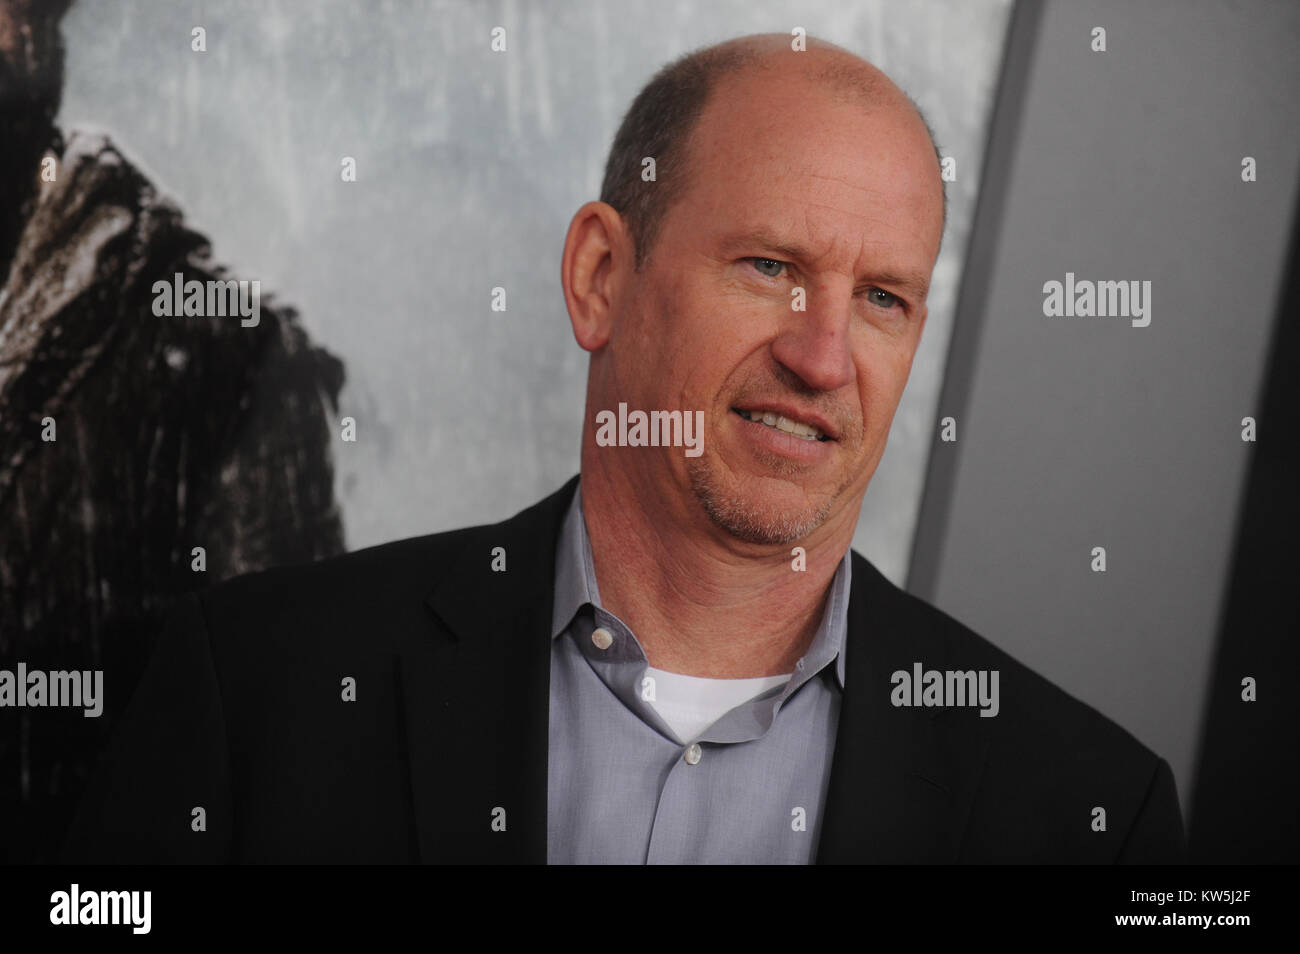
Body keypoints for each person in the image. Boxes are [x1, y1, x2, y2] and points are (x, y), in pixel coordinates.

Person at [63, 32, 1185, 864]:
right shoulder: (261, 691)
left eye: (881, 298)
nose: (824, 356)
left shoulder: (1088, 813)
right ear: (602, 276)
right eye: (768, 268)